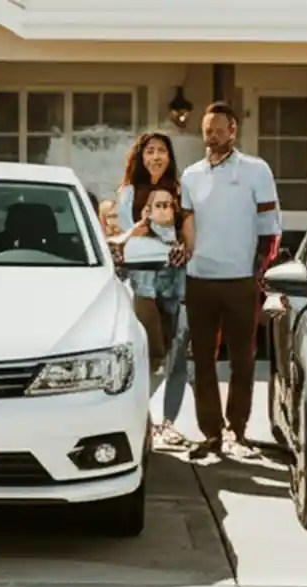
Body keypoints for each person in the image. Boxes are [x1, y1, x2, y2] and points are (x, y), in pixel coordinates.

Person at [178, 102, 282, 459]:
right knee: (202, 358)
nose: (212, 137)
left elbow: (270, 227)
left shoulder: (256, 170)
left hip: (241, 280)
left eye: (219, 130)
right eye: (207, 131)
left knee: (243, 358)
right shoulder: (190, 176)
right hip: (199, 279)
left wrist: (260, 270)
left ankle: (238, 429)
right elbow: (185, 226)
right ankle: (211, 432)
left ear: (233, 131)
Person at [112, 132, 195, 447]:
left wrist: (184, 248)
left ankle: (168, 423)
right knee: (149, 353)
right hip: (142, 281)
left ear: (169, 157)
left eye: (162, 151)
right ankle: (139, 419)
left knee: (176, 357)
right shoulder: (128, 193)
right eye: (150, 151)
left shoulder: (181, 190)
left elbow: (189, 236)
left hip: (176, 280)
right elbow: (128, 237)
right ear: (140, 156)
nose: (156, 156)